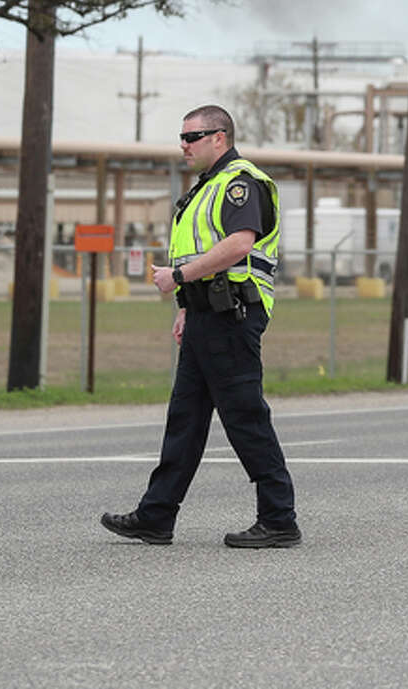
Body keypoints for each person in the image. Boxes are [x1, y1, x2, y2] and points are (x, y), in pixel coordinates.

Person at [101, 105, 301, 548]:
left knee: (245, 417)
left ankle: (279, 518)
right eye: (182, 136)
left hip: (233, 316)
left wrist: (178, 277)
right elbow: (206, 253)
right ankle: (156, 516)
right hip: (207, 315)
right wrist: (185, 306)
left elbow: (238, 245)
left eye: (193, 136)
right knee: (185, 420)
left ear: (220, 138)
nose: (183, 144)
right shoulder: (205, 188)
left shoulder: (239, 183)